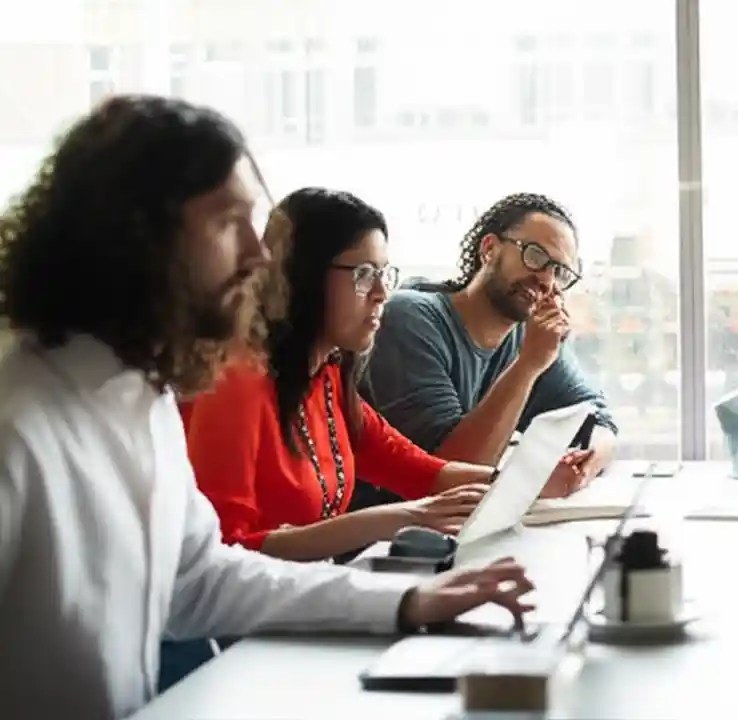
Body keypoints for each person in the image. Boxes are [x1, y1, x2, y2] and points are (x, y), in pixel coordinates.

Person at [0, 95, 533, 719]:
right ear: (136, 235)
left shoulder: (140, 396)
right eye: (229, 223)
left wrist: (409, 601)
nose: (259, 257)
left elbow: (200, 579)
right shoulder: (18, 424)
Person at [182, 187, 496, 562]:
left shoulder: (325, 374)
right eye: (363, 274)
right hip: (243, 615)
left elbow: (416, 470)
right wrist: (392, 519)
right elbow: (222, 552)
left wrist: (526, 481)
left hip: (300, 596)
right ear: (303, 276)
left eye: (384, 274)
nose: (381, 293)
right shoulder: (237, 383)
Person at [358, 193, 618, 506]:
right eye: (535, 256)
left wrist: (586, 465)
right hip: (385, 541)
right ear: (489, 249)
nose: (547, 280)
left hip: (456, 529)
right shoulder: (409, 318)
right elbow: (447, 476)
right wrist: (528, 365)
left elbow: (599, 418)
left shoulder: (530, 337)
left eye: (561, 272)